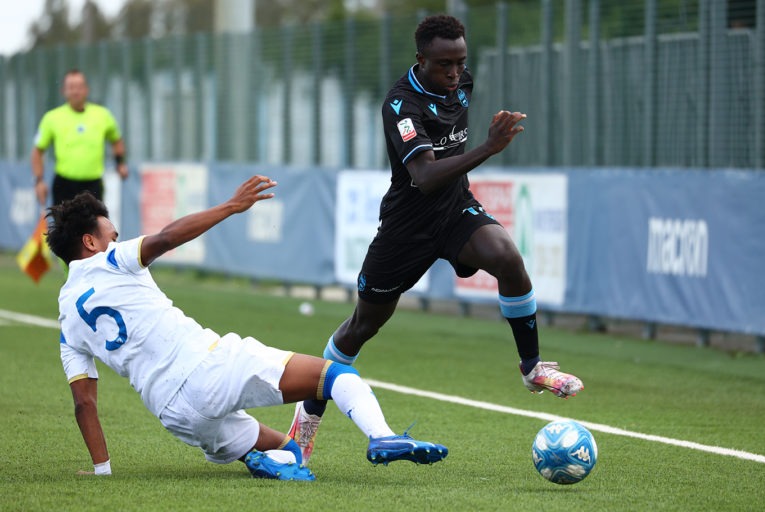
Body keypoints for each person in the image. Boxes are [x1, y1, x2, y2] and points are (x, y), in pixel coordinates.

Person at [290, 14, 583, 464]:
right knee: (361, 327)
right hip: (407, 227)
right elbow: (424, 175)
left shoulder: (462, 81)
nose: (454, 74)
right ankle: (306, 420)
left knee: (506, 257)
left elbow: (446, 170)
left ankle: (531, 368)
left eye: (460, 62)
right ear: (420, 59)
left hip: (454, 212)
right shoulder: (400, 105)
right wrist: (487, 147)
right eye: (444, 64)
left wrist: (480, 147)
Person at [46, 175, 447, 481]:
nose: (117, 239)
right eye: (111, 235)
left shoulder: (68, 321)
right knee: (336, 375)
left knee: (291, 453)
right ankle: (381, 436)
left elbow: (84, 403)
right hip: (207, 367)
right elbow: (167, 238)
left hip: (174, 414)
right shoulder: (113, 261)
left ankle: (268, 460)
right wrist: (232, 206)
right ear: (91, 242)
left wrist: (101, 471)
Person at [32, 69, 128, 208]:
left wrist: (120, 163)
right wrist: (39, 181)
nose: (76, 91)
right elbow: (37, 151)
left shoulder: (102, 115)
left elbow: (116, 139)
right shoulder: (52, 118)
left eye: (79, 87)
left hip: (93, 185)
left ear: (86, 89)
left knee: (93, 228)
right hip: (64, 185)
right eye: (71, 87)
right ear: (63, 91)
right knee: (63, 229)